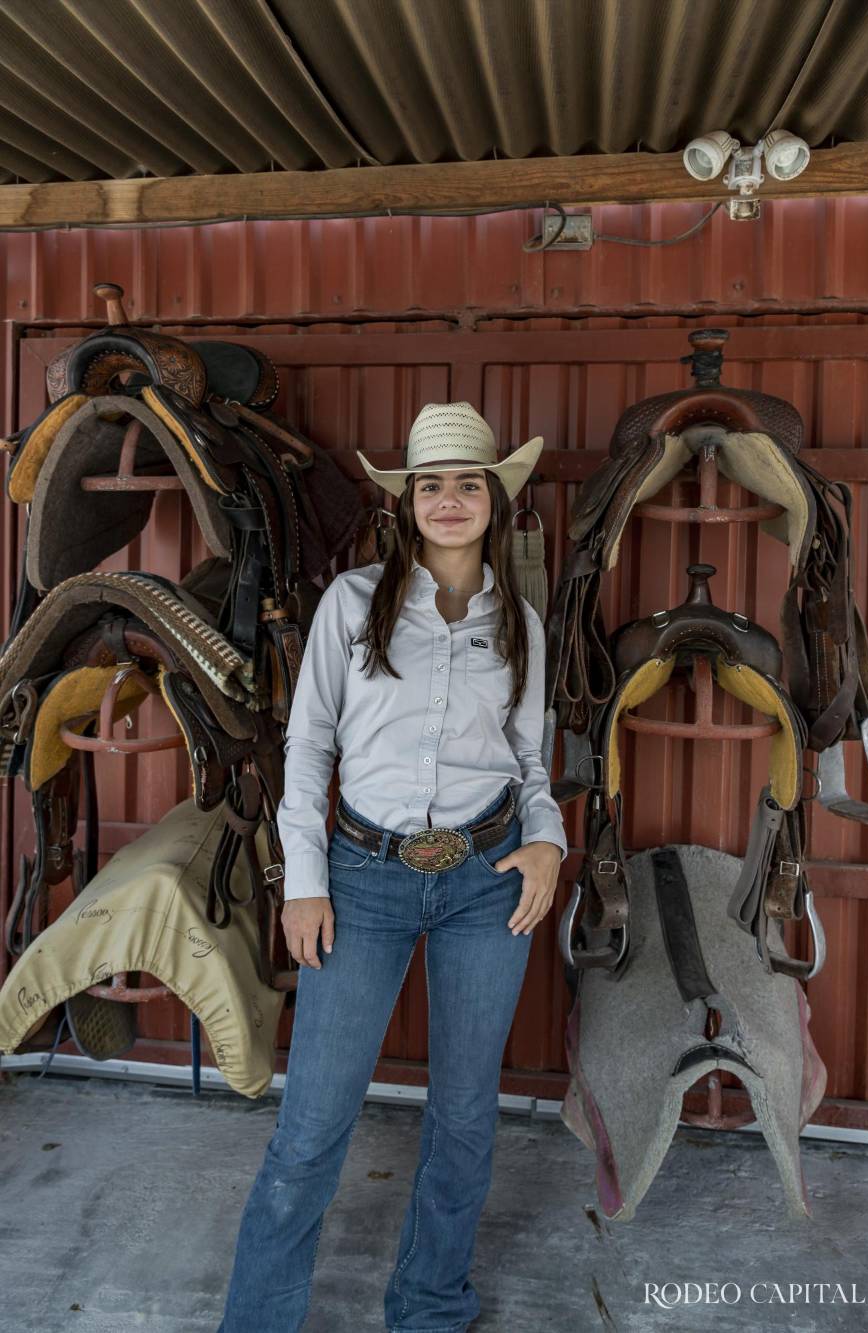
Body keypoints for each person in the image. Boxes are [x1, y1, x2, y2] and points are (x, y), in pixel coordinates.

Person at [217, 401, 568, 1333]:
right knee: (313, 1126)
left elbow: (531, 762)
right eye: (430, 484)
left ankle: (431, 1307)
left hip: (486, 878)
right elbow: (308, 745)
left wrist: (549, 838)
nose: (449, 500)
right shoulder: (351, 603)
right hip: (363, 878)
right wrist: (305, 880)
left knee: (462, 1119)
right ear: (406, 501)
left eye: (466, 482)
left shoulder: (523, 624)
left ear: (495, 497)